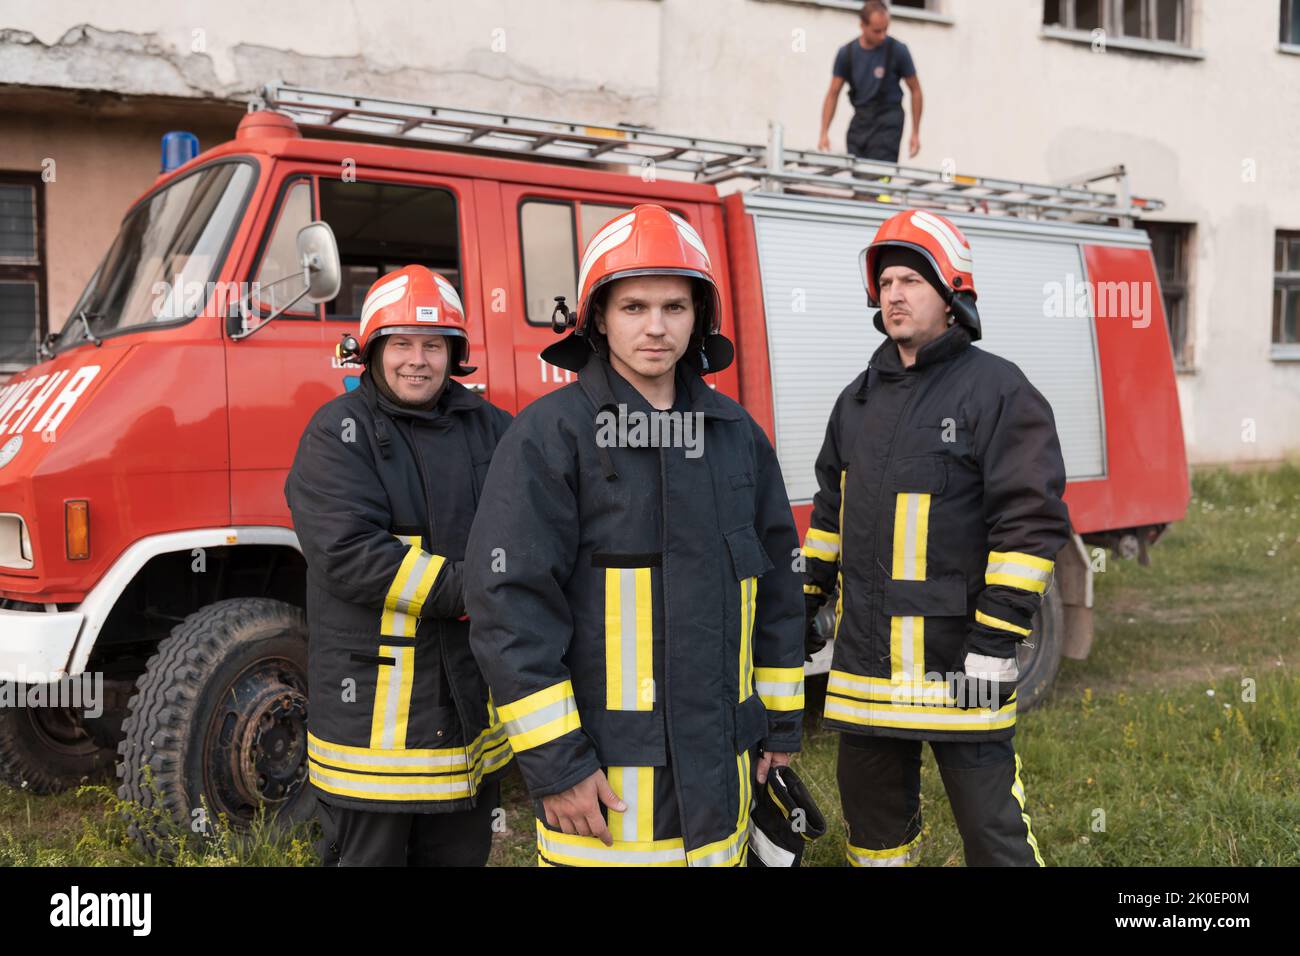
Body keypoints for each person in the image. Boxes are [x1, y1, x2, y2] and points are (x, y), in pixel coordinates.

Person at [465, 204, 805, 867]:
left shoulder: (736, 436)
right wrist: (557, 766)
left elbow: (777, 591)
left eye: (675, 307)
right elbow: (511, 609)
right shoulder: (549, 437)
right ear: (597, 317)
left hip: (725, 784)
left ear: (698, 318)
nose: (656, 327)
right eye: (634, 307)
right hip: (609, 801)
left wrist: (782, 724)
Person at [803, 208, 1071, 866]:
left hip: (963, 668)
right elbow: (830, 511)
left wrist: (996, 642)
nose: (894, 294)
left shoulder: (998, 390)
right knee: (875, 836)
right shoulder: (856, 401)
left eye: (912, 281)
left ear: (952, 296)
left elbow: (1028, 521)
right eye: (886, 282)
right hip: (866, 676)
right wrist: (807, 599)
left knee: (992, 830)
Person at [285, 265, 513, 866]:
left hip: (465, 714)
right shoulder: (337, 434)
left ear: (454, 353)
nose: (418, 360)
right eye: (402, 344)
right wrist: (476, 589)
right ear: (372, 351)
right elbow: (348, 554)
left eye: (433, 344)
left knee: (460, 856)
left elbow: (536, 524)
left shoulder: (492, 430)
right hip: (374, 727)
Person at [818, 0, 923, 161]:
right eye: (877, 31)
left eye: (885, 30)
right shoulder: (847, 54)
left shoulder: (898, 51)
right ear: (863, 26)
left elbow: (916, 90)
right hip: (861, 122)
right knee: (857, 173)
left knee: (879, 176)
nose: (882, 36)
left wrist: (915, 133)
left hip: (889, 122)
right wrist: (824, 132)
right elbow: (833, 93)